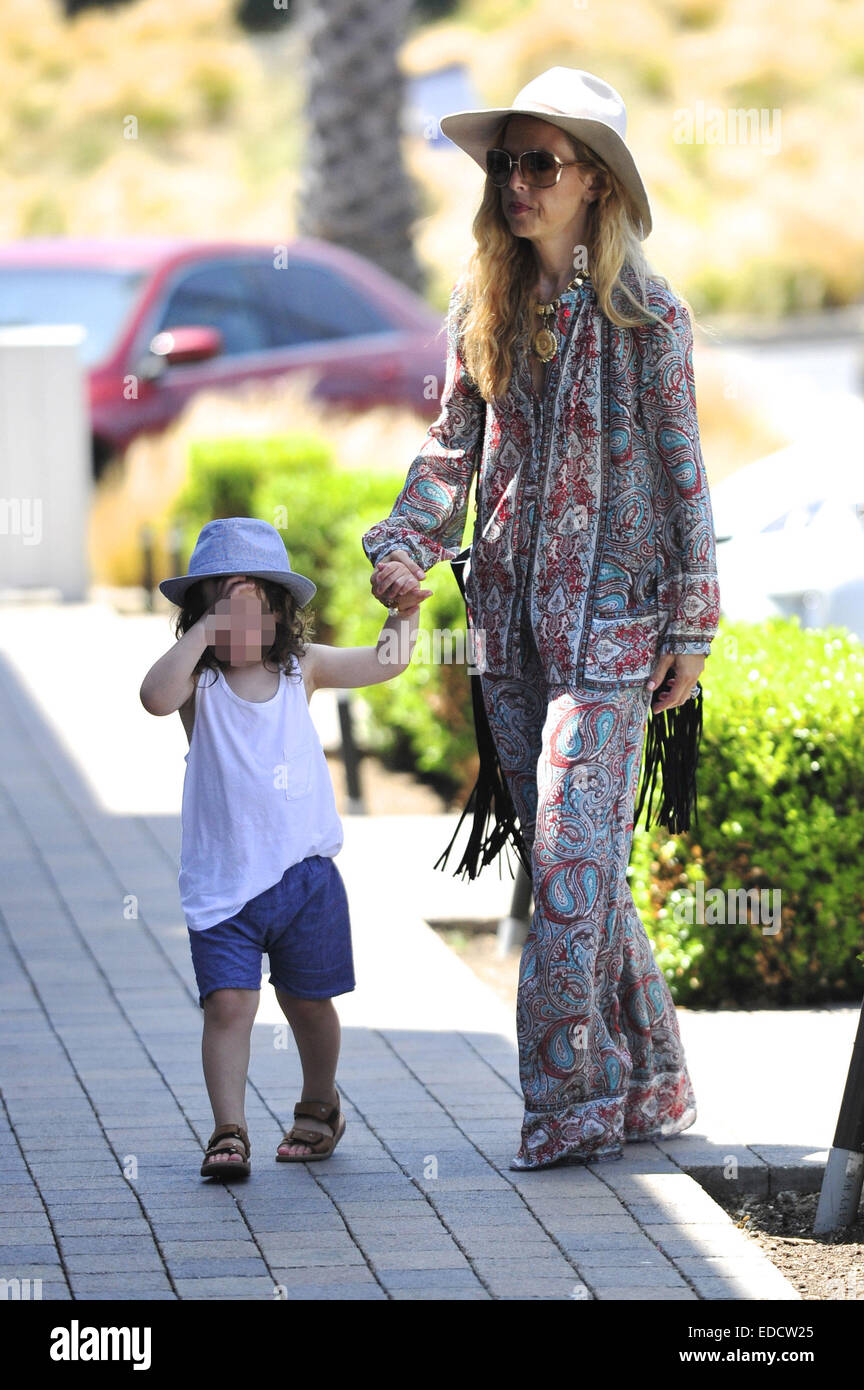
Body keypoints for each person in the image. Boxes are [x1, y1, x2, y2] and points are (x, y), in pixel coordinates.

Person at [362, 68, 721, 1170]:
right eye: (506, 164)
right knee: (583, 871)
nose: (517, 184)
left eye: (541, 164)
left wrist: (692, 628)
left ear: (597, 185)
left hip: (616, 631)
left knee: (568, 862)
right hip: (510, 631)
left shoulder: (649, 317)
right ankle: (650, 1080)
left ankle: (568, 1107)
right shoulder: (486, 304)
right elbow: (450, 448)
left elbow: (683, 472)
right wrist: (406, 543)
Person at [140, 517, 426, 1178]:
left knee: (307, 1003)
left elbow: (387, 661)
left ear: (280, 617)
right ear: (197, 619)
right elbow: (153, 698)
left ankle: (320, 1102)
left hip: (305, 880)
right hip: (223, 886)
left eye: (251, 612)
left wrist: (404, 612)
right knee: (229, 1005)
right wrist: (207, 634)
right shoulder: (198, 688)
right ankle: (228, 1130)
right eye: (219, 614)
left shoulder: (305, 670)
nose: (237, 628)